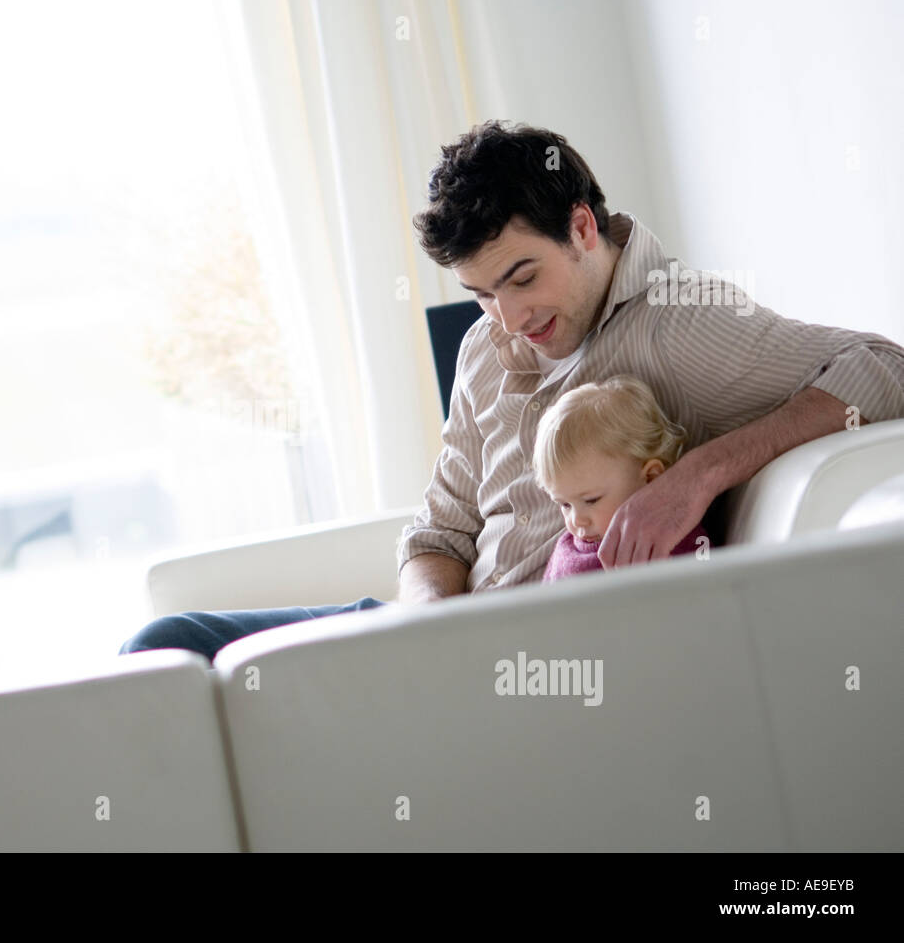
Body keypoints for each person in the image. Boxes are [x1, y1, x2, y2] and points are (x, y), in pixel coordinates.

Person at [120, 120, 904, 663]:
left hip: (522, 666)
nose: (509, 317)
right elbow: (440, 530)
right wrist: (425, 617)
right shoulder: (484, 347)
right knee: (169, 641)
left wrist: (700, 476)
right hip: (427, 638)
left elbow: (884, 368)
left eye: (523, 277)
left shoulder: (679, 321)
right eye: (483, 292)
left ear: (584, 228)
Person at [533, 375, 709, 582]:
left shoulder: (672, 539)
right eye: (564, 504)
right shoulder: (567, 546)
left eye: (591, 500)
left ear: (651, 478)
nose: (575, 520)